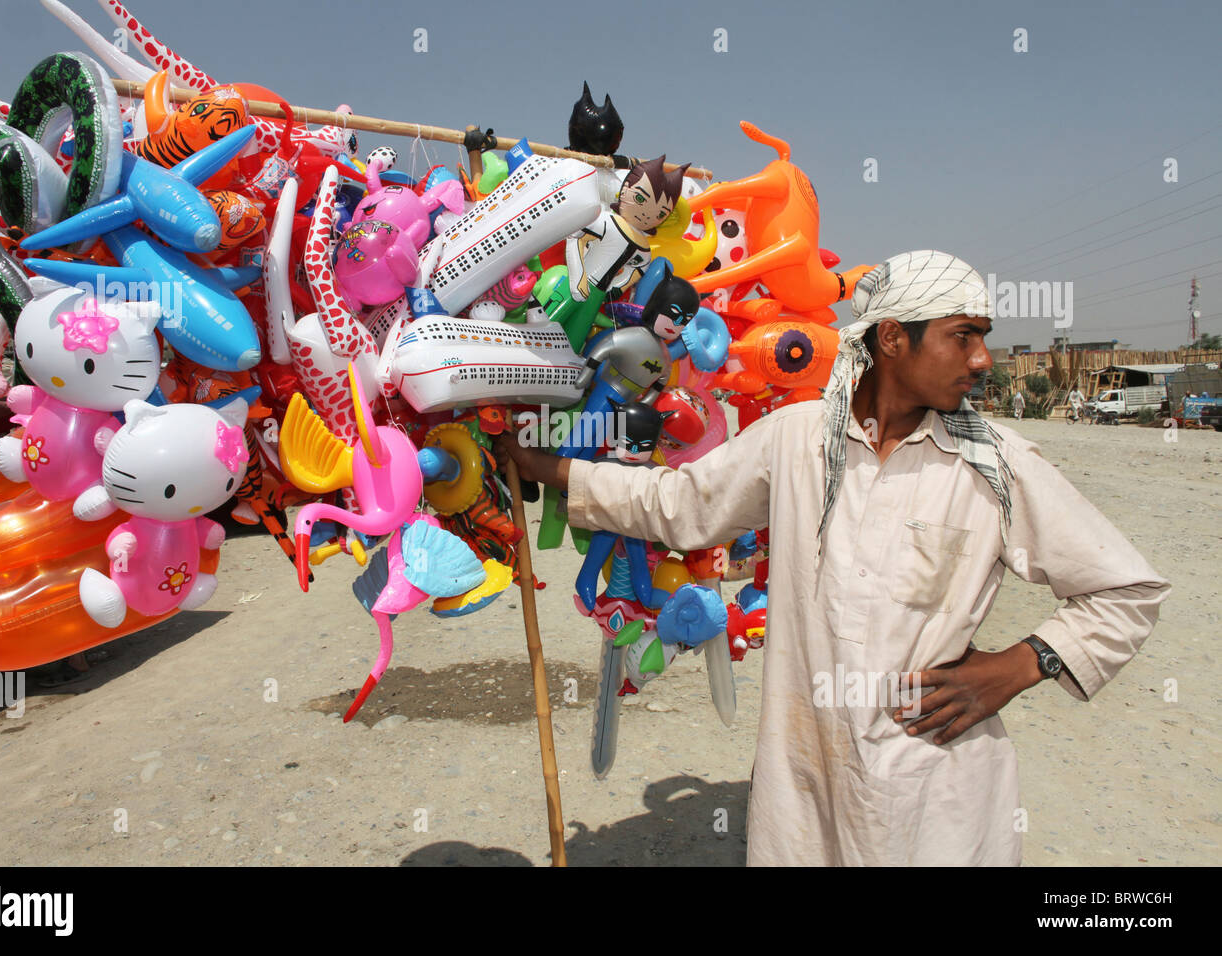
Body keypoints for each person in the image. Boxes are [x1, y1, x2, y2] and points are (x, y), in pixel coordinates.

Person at [496, 250, 1169, 866]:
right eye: (964, 334)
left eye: (983, 336)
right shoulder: (795, 443)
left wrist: (1020, 665)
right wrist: (550, 470)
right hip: (806, 798)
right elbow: (680, 505)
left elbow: (1127, 589)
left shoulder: (995, 464)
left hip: (937, 806)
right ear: (893, 338)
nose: (983, 358)